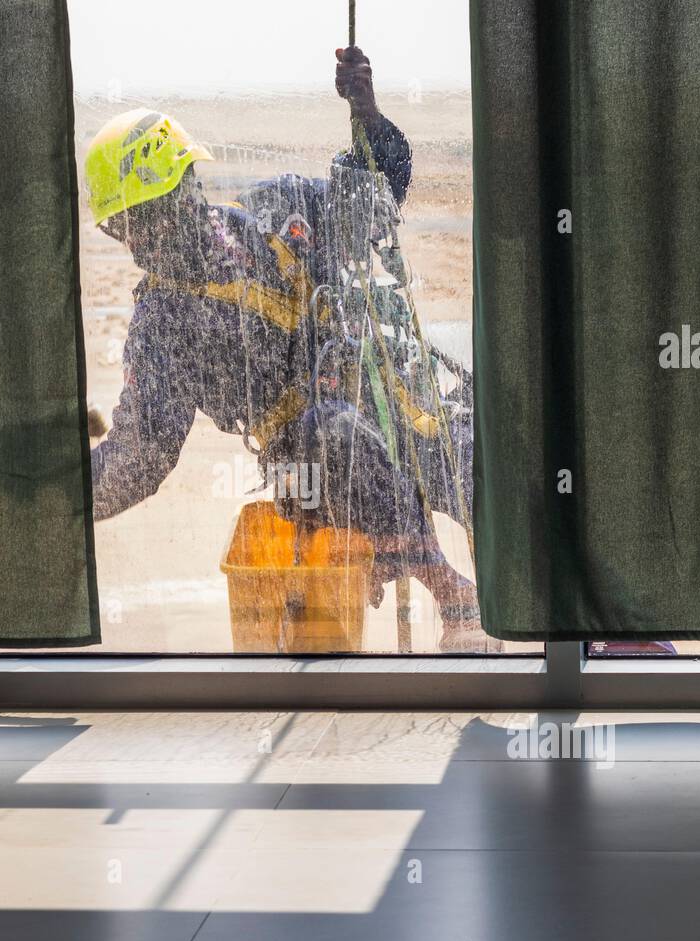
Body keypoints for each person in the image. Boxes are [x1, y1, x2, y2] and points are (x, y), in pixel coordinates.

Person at [82, 46, 499, 652]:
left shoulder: (285, 212)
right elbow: (139, 457)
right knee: (332, 432)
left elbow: (382, 193)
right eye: (121, 229)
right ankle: (454, 595)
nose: (136, 242)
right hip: (315, 469)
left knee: (480, 455)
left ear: (185, 191)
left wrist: (368, 113)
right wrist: (63, 496)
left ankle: (568, 615)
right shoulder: (163, 324)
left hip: (394, 408)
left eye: (143, 219)